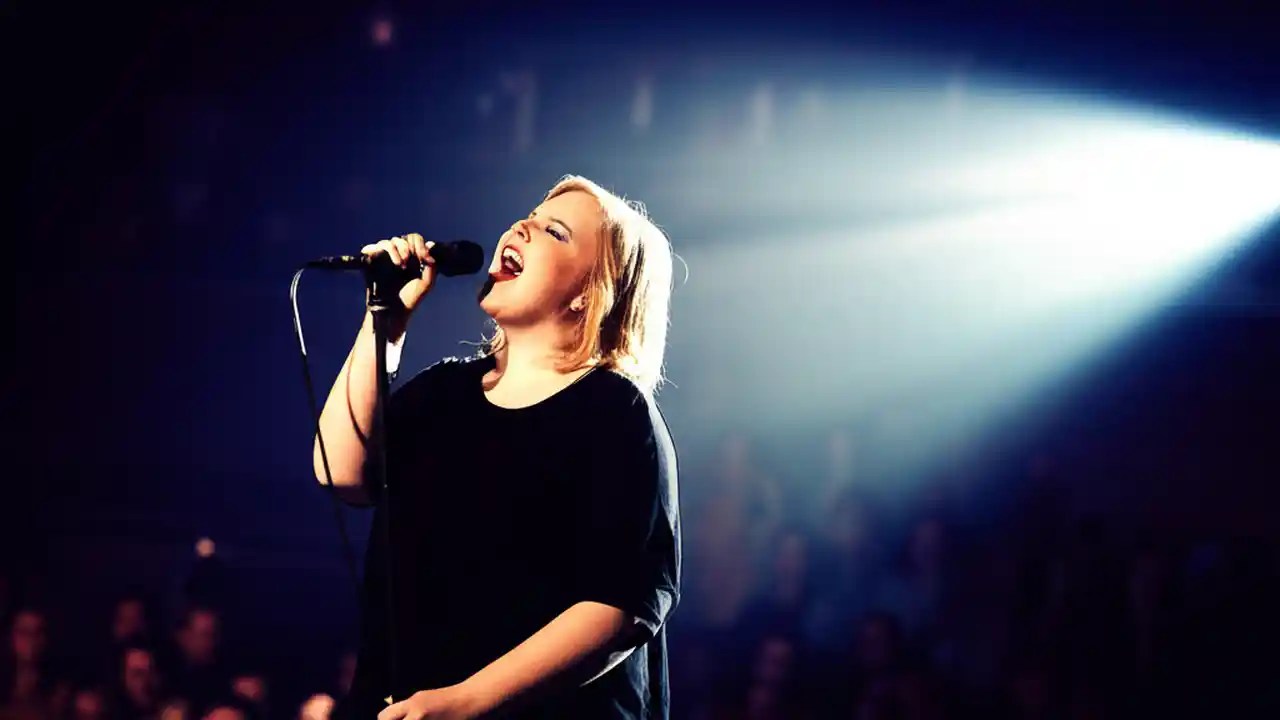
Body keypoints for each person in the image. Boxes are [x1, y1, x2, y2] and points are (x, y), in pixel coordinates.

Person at [314, 175, 681, 719]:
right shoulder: (445, 392)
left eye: (554, 231)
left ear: (589, 292)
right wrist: (384, 324)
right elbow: (339, 469)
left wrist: (465, 703)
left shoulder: (612, 412)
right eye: (529, 215)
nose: (523, 226)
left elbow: (619, 605)